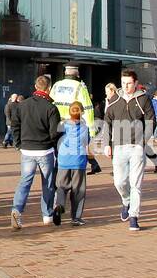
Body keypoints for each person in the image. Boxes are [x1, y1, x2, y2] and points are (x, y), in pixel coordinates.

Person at [8, 76, 61, 229]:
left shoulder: (22, 105)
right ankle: (47, 214)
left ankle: (16, 209)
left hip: (27, 150)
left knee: (25, 181)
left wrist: (18, 143)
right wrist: (51, 144)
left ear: (35, 86)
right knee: (48, 183)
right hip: (45, 150)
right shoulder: (51, 108)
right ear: (48, 88)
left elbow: (15, 126)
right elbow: (54, 132)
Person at [103, 69, 152, 231]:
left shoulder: (143, 99)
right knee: (120, 182)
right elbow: (107, 121)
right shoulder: (114, 99)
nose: (126, 86)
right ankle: (126, 201)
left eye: (129, 83)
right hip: (118, 146)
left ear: (136, 83)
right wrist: (106, 143)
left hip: (137, 146)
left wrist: (144, 140)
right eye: (123, 83)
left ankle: (134, 216)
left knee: (135, 184)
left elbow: (151, 120)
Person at [50, 65, 101, 175]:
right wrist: (91, 130)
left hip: (58, 124)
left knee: (59, 154)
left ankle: (58, 184)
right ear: (77, 74)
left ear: (65, 72)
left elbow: (50, 104)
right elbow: (88, 108)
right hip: (74, 125)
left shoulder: (56, 85)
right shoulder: (80, 86)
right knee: (76, 154)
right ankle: (73, 183)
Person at [53, 101, 90, 226]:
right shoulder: (85, 127)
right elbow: (86, 143)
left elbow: (56, 137)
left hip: (63, 159)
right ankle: (76, 217)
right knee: (78, 190)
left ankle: (59, 205)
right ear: (82, 113)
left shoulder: (63, 125)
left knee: (61, 186)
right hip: (78, 160)